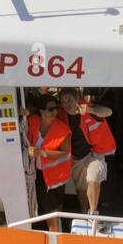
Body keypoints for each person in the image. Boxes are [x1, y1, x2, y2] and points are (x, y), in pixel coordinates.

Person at [59, 88, 116, 217]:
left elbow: (109, 112)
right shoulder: (61, 114)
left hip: (93, 154)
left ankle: (93, 214)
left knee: (93, 178)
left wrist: (90, 110)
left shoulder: (88, 109)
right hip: (76, 158)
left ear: (77, 99)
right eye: (63, 101)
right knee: (81, 191)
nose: (67, 104)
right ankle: (84, 215)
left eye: (70, 100)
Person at [27, 96, 71, 232]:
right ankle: (56, 232)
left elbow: (64, 152)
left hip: (56, 177)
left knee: (53, 209)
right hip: (38, 174)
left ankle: (55, 236)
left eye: (56, 109)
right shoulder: (33, 121)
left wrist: (41, 153)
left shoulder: (63, 129)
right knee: (48, 208)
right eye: (50, 109)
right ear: (41, 111)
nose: (54, 112)